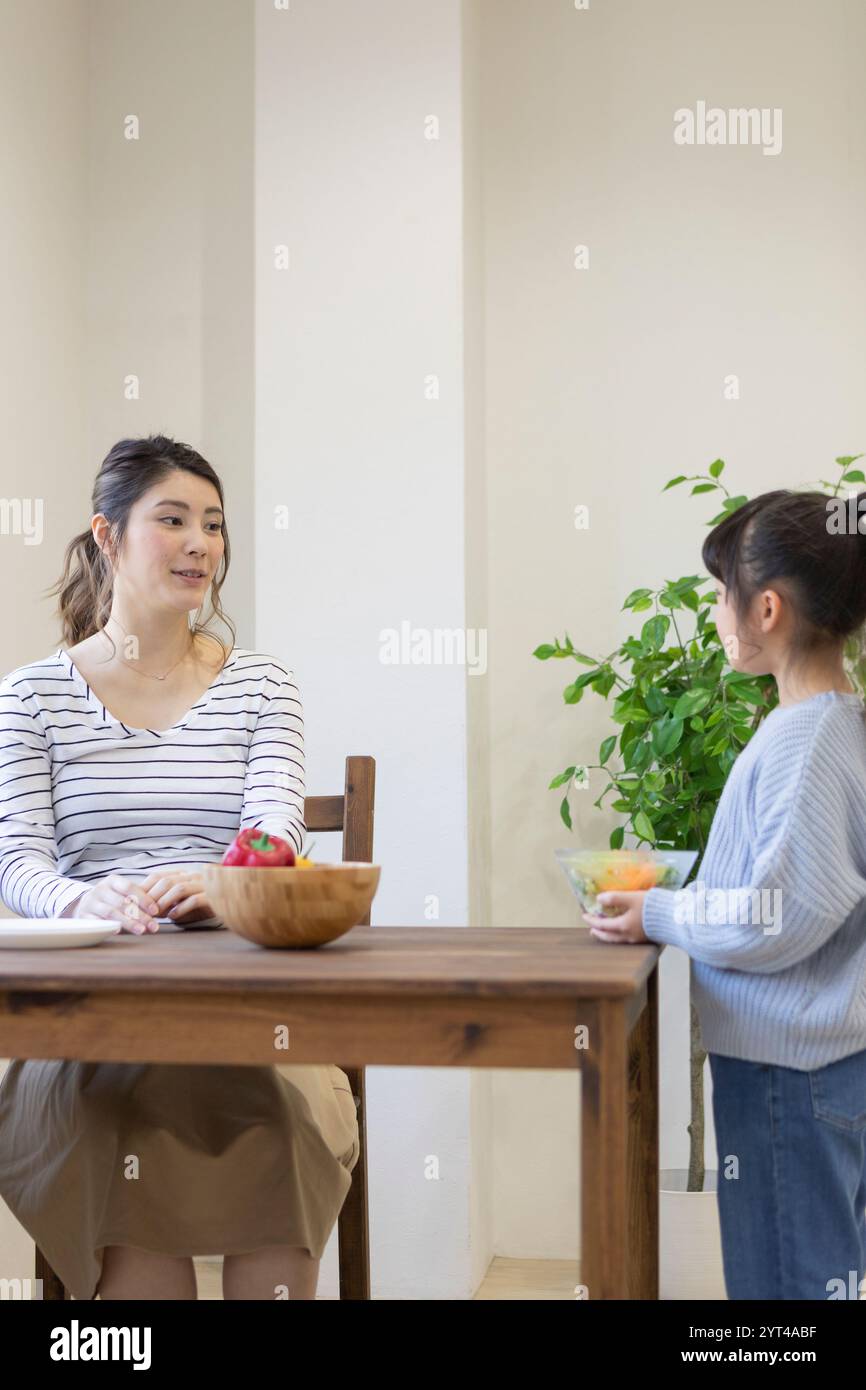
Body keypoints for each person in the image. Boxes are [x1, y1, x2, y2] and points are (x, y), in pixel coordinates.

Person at [0, 434, 359, 1300]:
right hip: (94, 1012)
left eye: (214, 525)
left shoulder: (263, 684)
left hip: (248, 997)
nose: (201, 543)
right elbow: (17, 862)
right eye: (172, 520)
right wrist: (92, 899)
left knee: (283, 1117)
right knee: (112, 1125)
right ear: (107, 536)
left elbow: (276, 832)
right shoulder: (30, 695)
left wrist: (223, 882)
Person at [582, 487, 866, 1301]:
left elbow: (775, 915)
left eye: (720, 594)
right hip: (823, 1068)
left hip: (788, 1074)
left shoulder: (804, 743)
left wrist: (659, 911)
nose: (714, 611)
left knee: (786, 1293)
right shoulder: (837, 727)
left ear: (767, 609)